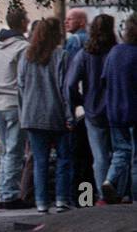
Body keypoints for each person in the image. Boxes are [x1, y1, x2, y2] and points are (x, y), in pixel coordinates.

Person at [66, 14, 129, 204]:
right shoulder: (117, 51)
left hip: (92, 109)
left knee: (98, 156)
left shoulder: (85, 54)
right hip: (116, 108)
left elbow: (70, 84)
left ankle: (100, 196)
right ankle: (119, 189)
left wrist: (76, 104)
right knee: (121, 152)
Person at [18, 17, 73, 214]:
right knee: (63, 158)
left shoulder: (26, 56)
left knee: (40, 160)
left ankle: (41, 202)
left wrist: (23, 113)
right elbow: (64, 88)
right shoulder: (62, 55)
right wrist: (70, 116)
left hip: (32, 115)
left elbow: (21, 86)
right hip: (55, 113)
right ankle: (61, 199)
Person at [0, 5, 30, 208]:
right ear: (22, 23)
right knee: (14, 151)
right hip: (15, 102)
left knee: (7, 150)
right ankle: (9, 194)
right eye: (27, 19)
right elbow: (24, 78)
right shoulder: (23, 48)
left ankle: (2, 191)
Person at [101, 13, 137, 202]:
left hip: (114, 112)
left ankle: (110, 179)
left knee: (120, 151)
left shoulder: (114, 52)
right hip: (134, 111)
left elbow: (104, 80)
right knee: (136, 159)